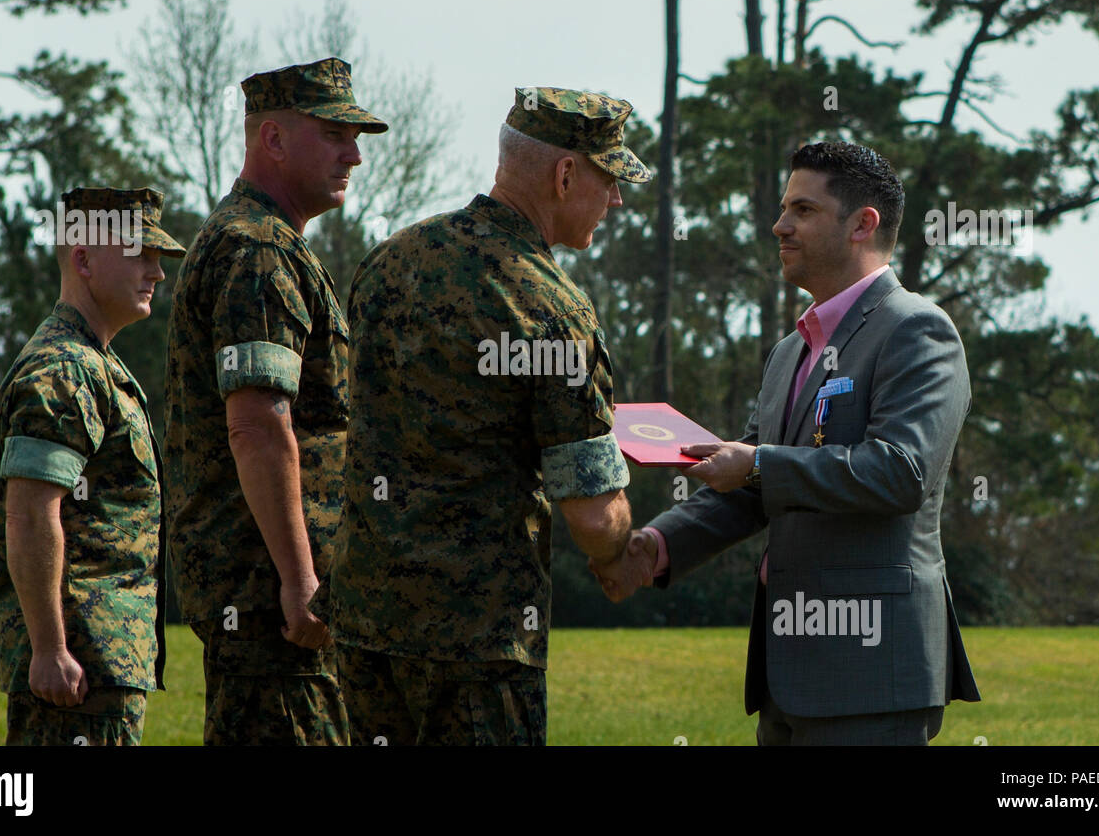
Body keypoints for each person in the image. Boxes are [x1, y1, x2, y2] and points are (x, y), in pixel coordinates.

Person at [603, 141, 981, 745]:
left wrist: (756, 464)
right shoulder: (789, 351)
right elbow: (754, 489)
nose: (779, 225)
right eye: (784, 208)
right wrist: (658, 545)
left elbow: (901, 472)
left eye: (802, 210)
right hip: (788, 673)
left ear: (863, 224)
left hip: (870, 671)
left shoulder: (917, 329)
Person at [330, 86, 652, 746]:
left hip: (365, 629)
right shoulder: (551, 308)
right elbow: (592, 514)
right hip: (479, 646)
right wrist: (624, 546)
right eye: (611, 176)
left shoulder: (387, 263)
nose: (617, 198)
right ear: (566, 174)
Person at [162, 58, 387, 745]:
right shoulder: (257, 250)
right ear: (274, 140)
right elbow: (258, 425)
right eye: (333, 133)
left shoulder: (269, 242)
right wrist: (299, 578)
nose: (353, 152)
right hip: (273, 604)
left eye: (356, 136)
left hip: (273, 602)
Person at [0, 186, 186, 745]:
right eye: (140, 253)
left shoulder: (93, 363)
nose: (157, 273)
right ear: (84, 259)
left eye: (158, 257)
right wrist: (49, 650)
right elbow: (28, 514)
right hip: (77, 670)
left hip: (98, 662)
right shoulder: (65, 371)